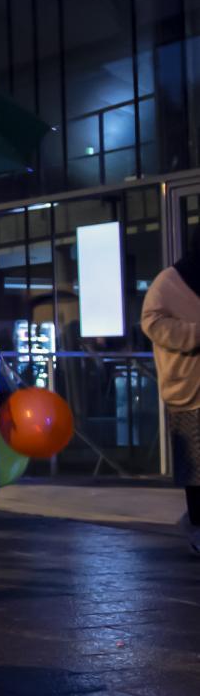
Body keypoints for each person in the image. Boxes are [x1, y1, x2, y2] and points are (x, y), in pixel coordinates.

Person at [142, 225, 200, 556]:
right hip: (189, 389)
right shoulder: (170, 281)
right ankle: (196, 524)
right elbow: (151, 321)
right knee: (196, 468)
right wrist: (194, 334)